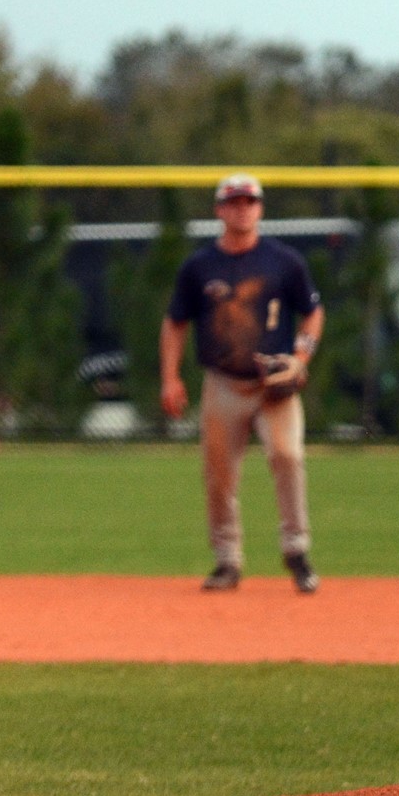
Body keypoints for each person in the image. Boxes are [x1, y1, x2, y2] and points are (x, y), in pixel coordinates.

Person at [159, 173, 326, 594]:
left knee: (288, 457)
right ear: (219, 210)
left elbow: (312, 312)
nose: (241, 208)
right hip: (224, 384)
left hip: (274, 385)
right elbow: (175, 323)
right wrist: (170, 377)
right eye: (233, 202)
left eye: (249, 201)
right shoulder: (199, 267)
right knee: (219, 475)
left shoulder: (284, 261)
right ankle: (227, 561)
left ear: (260, 209)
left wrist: (301, 357)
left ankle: (297, 553)